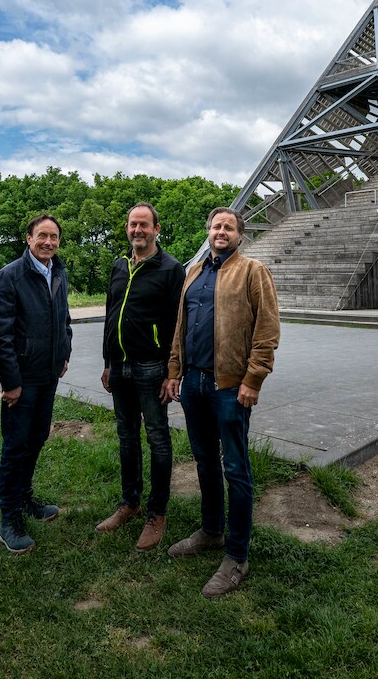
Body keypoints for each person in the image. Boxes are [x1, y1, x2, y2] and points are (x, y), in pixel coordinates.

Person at [165, 206, 279, 598]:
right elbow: (181, 326)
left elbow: (267, 328)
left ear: (239, 235)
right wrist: (174, 370)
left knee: (236, 467)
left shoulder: (252, 271)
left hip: (230, 386)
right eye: (216, 226)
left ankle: (237, 555)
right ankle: (211, 531)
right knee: (203, 461)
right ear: (208, 231)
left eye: (229, 227)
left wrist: (254, 377)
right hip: (193, 382)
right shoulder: (194, 272)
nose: (221, 231)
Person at [96, 202, 186, 551]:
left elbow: (180, 323)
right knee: (126, 438)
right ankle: (129, 503)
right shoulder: (119, 266)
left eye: (144, 225)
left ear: (156, 229)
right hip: (119, 367)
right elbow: (110, 314)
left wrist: (173, 371)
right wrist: (107, 361)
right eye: (133, 224)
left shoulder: (170, 269)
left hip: (152, 368)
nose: (138, 230)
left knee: (158, 439)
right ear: (127, 228)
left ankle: (156, 513)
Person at [0, 213, 73, 554]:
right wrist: (10, 381)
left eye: (54, 237)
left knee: (37, 437)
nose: (48, 242)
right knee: (15, 445)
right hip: (21, 380)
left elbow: (64, 316)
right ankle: (8, 517)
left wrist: (64, 351)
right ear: (28, 238)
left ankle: (25, 499)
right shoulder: (11, 275)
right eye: (42, 236)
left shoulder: (58, 271)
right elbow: (1, 331)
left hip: (48, 375)